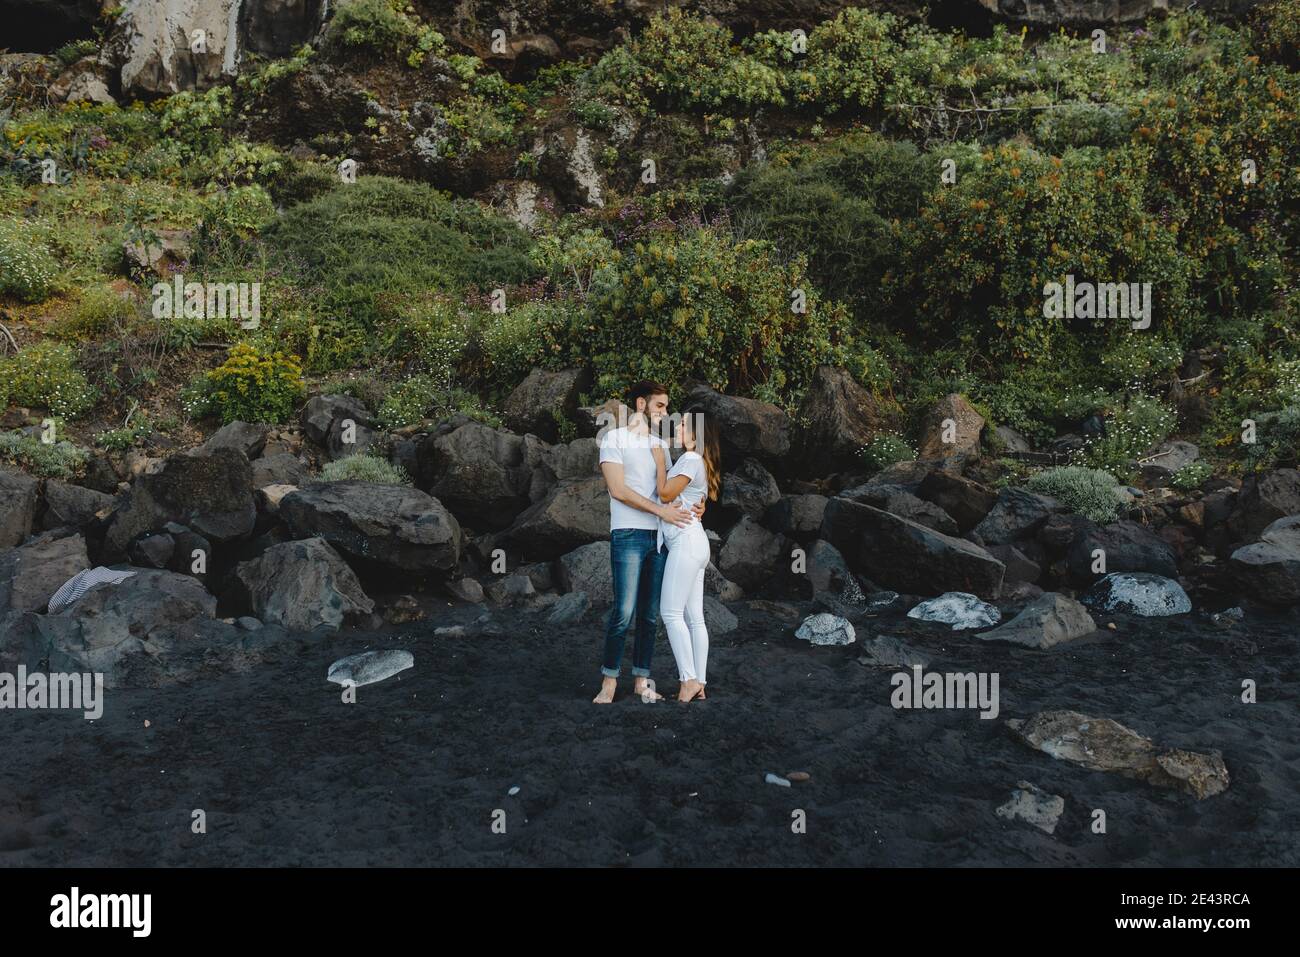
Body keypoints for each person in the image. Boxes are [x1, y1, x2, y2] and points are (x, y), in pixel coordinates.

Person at [593, 382, 705, 704]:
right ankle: (609, 682)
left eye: (667, 407)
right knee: (623, 612)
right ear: (641, 404)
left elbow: (671, 490)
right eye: (660, 407)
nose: (666, 413)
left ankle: (641, 680)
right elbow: (618, 490)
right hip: (628, 533)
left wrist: (701, 504)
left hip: (658, 538)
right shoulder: (614, 438)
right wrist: (661, 511)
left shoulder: (659, 445)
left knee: (650, 615)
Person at [651, 409, 720, 702]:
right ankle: (700, 682)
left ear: (696, 433)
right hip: (697, 542)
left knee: (670, 613)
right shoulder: (697, 462)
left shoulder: (690, 459)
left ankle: (688, 680)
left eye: (682, 424)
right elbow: (692, 497)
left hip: (686, 543)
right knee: (694, 618)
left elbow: (665, 494)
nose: (677, 426)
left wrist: (657, 460)